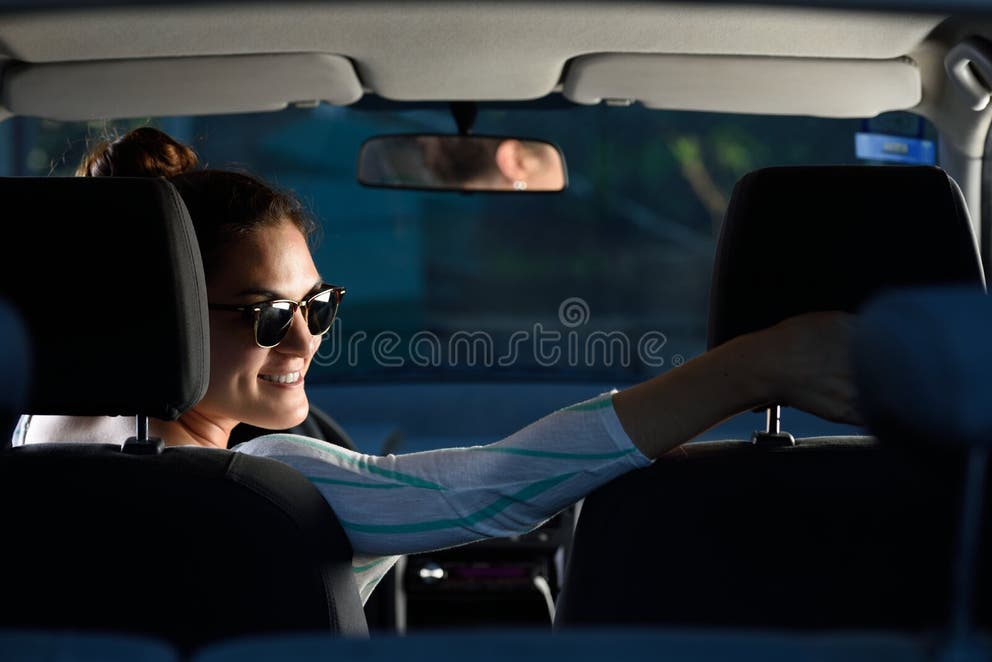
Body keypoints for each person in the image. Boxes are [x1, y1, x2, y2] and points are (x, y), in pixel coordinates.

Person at [14, 127, 860, 602]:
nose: (307, 341)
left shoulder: (25, 448)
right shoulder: (264, 485)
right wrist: (753, 368)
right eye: (271, 315)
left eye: (320, 306)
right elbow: (489, 488)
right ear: (164, 311)